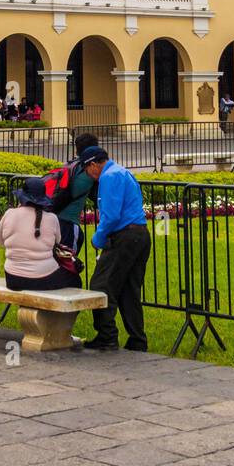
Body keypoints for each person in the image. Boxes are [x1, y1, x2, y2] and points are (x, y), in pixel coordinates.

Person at [80, 147, 150, 352]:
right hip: (140, 234)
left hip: (124, 236)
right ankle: (137, 339)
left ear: (93, 165)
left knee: (100, 285)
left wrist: (97, 239)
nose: (88, 175)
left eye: (87, 170)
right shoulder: (122, 171)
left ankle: (107, 336)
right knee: (129, 289)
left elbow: (111, 216)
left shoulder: (109, 177)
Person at [0, 178, 79, 290]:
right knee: (75, 279)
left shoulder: (9, 214)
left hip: (12, 278)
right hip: (44, 277)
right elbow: (57, 242)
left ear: (22, 196)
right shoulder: (52, 218)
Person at [55, 132, 100, 252]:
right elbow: (98, 196)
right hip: (68, 224)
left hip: (53, 221)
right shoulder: (89, 172)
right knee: (69, 265)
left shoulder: (70, 166)